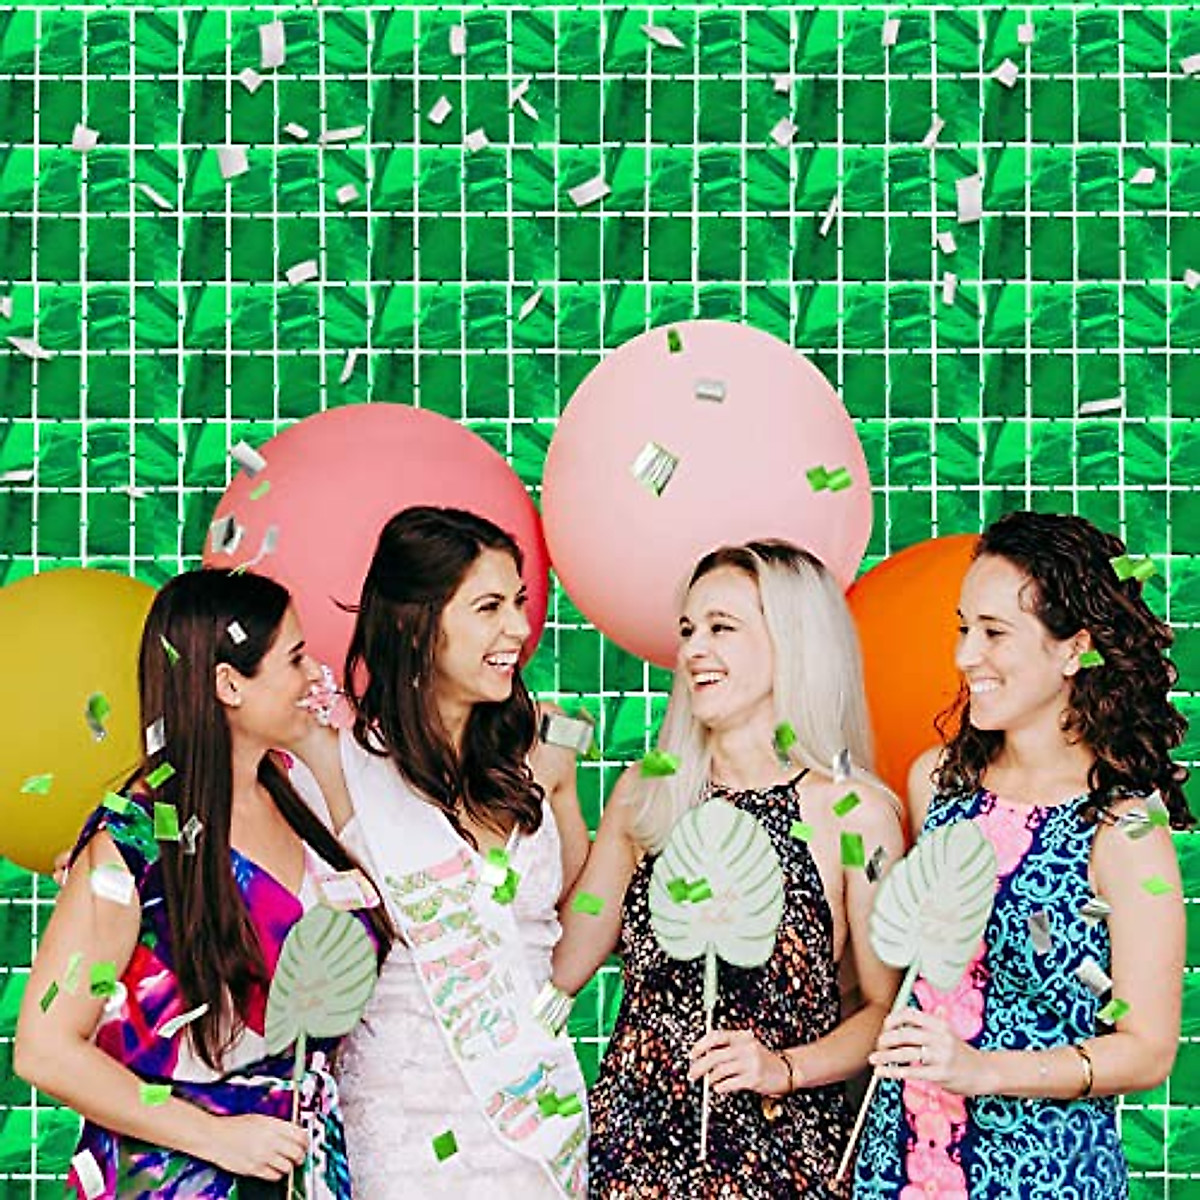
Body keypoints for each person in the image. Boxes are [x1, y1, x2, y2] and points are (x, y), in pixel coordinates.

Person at [15, 568, 392, 1200]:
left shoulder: (296, 800)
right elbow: (43, 1048)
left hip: (302, 1165)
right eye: (295, 658)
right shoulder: (134, 844)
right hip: (175, 1178)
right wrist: (216, 1136)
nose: (314, 674)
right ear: (228, 685)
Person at [550, 539, 905, 1198]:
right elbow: (564, 964)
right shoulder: (648, 793)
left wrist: (784, 1069)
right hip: (634, 1158)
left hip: (780, 1162)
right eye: (688, 630)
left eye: (721, 628)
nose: (694, 650)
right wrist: (560, 795)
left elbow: (887, 1011)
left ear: (793, 642)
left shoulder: (853, 813)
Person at [854, 511, 1189, 1199]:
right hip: (901, 1160)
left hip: (1043, 1176)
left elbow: (1149, 1049)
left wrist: (984, 1071)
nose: (964, 656)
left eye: (994, 632)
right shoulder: (936, 783)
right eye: (963, 628)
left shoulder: (1124, 829)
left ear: (1074, 651)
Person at [288, 505, 591, 1198]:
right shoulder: (335, 772)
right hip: (401, 1134)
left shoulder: (549, 745)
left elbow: (573, 918)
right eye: (489, 607)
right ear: (414, 624)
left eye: (518, 602)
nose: (518, 628)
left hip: (535, 1124)